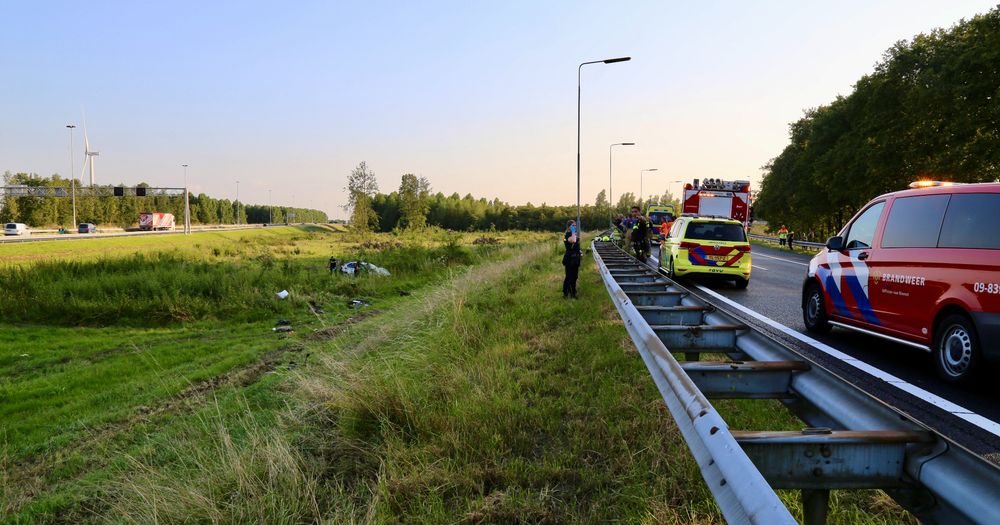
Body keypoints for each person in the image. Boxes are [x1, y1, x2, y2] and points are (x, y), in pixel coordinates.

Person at [562, 220, 582, 298]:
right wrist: (573, 232)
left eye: (575, 225)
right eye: (573, 226)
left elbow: (576, 244)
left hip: (575, 258)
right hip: (569, 259)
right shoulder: (567, 235)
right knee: (569, 276)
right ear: (569, 227)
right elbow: (573, 240)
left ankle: (573, 292)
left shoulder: (573, 235)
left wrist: (580, 251)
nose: (575, 227)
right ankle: (566, 293)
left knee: (575, 276)